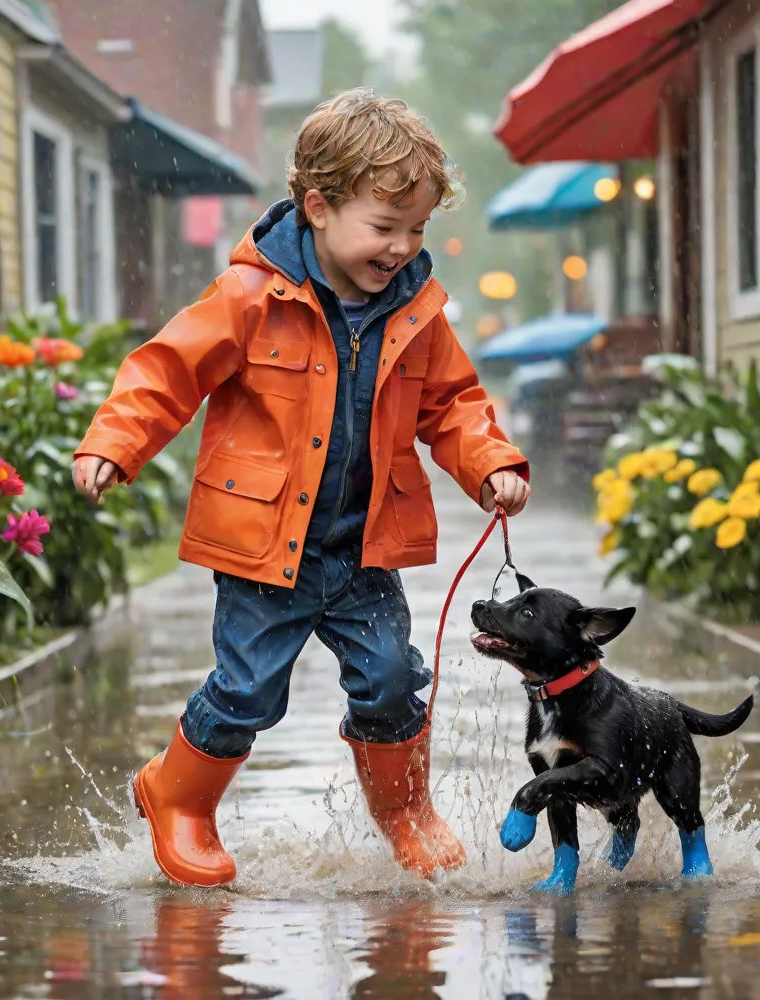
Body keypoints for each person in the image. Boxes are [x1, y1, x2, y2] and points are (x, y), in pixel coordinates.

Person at [73, 89, 530, 887]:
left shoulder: (417, 311)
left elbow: (452, 403)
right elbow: (166, 369)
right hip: (261, 548)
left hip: (363, 545)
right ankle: (177, 797)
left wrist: (490, 461)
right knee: (249, 688)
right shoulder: (250, 297)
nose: (402, 247)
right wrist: (117, 441)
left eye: (417, 229)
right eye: (384, 228)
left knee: (392, 678)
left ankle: (403, 809)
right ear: (317, 207)